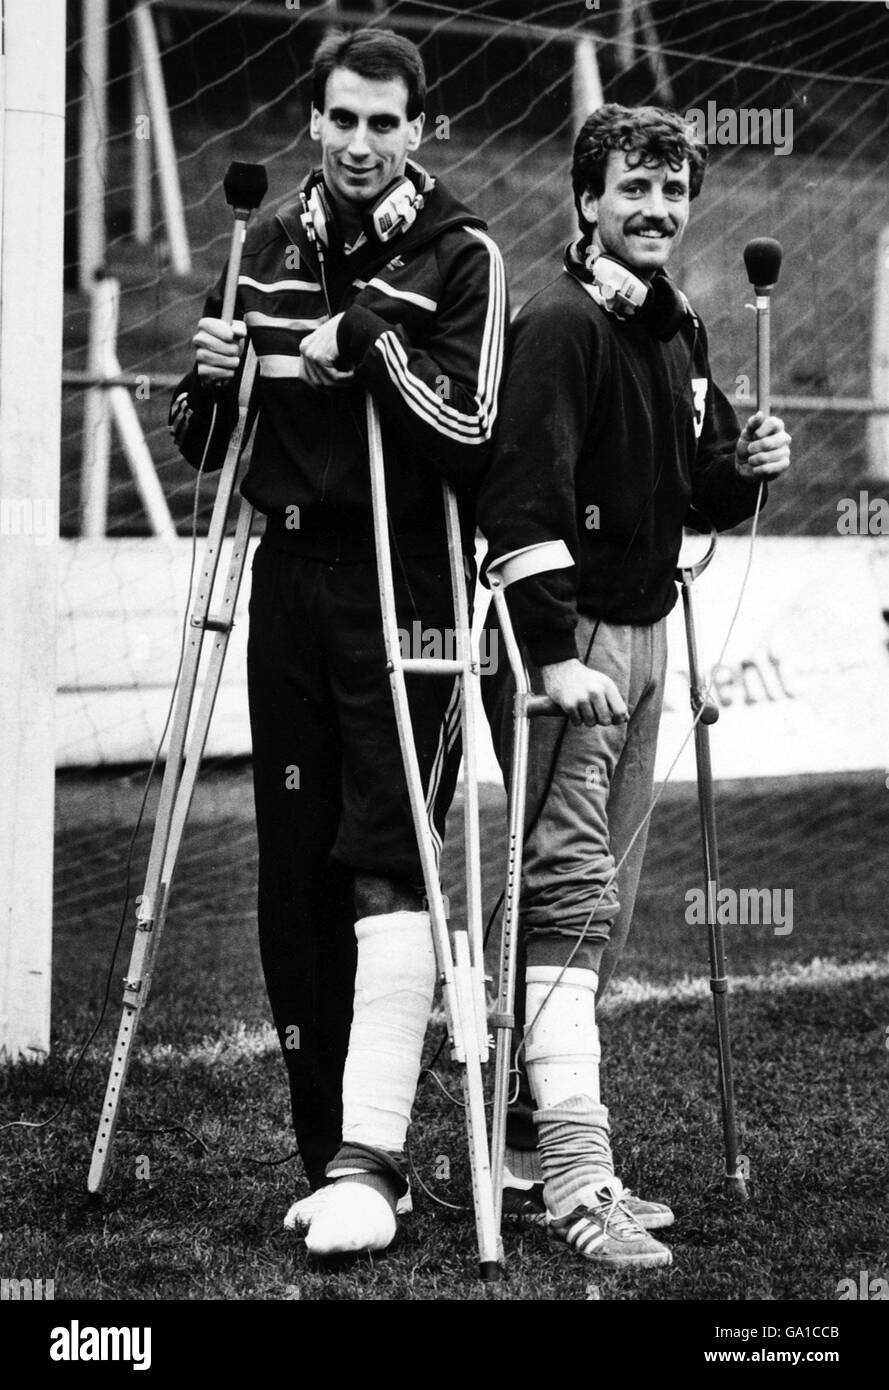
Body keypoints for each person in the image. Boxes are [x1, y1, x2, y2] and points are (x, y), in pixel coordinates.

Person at [169, 28, 506, 1257]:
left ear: (420, 130)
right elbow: (206, 445)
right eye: (343, 120)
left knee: (388, 852)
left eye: (386, 122)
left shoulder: (460, 252)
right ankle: (336, 1163)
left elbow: (468, 428)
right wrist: (209, 381)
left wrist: (365, 339)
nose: (362, 143)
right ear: (314, 122)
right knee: (293, 874)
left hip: (401, 575)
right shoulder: (259, 248)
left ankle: (376, 1150)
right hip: (289, 576)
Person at [477, 103, 791, 1268]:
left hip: (652, 630)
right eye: (631, 189)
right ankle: (573, 1174)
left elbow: (694, 490)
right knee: (567, 890)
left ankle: (514, 1141)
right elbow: (520, 495)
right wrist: (552, 651)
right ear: (585, 201)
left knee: (591, 890)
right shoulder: (559, 320)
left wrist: (738, 470)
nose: (654, 208)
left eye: (671, 191)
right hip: (576, 644)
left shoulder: (674, 325)